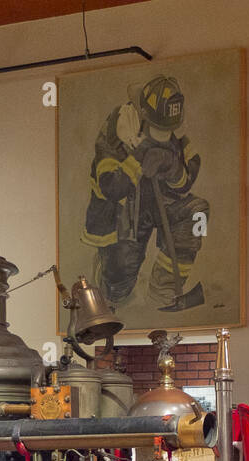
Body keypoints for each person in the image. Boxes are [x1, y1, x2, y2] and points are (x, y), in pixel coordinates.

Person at [81, 75, 208, 308]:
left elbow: (186, 181)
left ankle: (165, 290)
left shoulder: (175, 131)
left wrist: (171, 166)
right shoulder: (117, 131)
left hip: (161, 203)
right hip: (123, 213)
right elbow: (112, 188)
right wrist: (138, 158)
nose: (162, 135)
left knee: (196, 212)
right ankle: (109, 274)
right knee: (118, 287)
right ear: (144, 115)